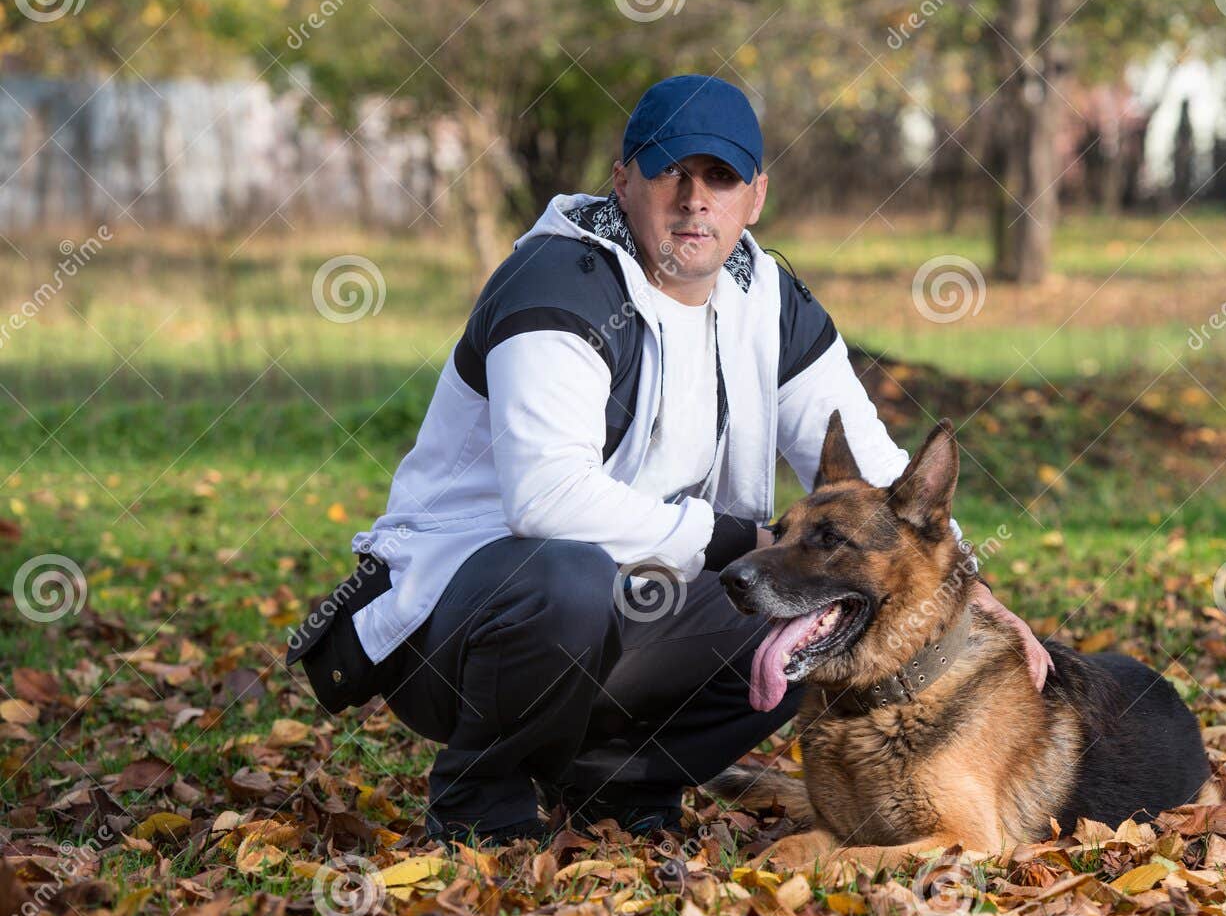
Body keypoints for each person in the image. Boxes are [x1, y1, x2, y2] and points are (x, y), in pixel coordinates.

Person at [284, 74, 1050, 843]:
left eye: (720, 177)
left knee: (809, 612)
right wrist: (741, 541)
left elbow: (885, 485)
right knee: (567, 577)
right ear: (623, 180)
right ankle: (480, 803)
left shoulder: (769, 298)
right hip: (456, 624)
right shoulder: (559, 280)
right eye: (668, 171)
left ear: (754, 197)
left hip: (628, 614)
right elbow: (545, 500)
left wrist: (963, 583)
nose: (694, 198)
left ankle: (616, 790)